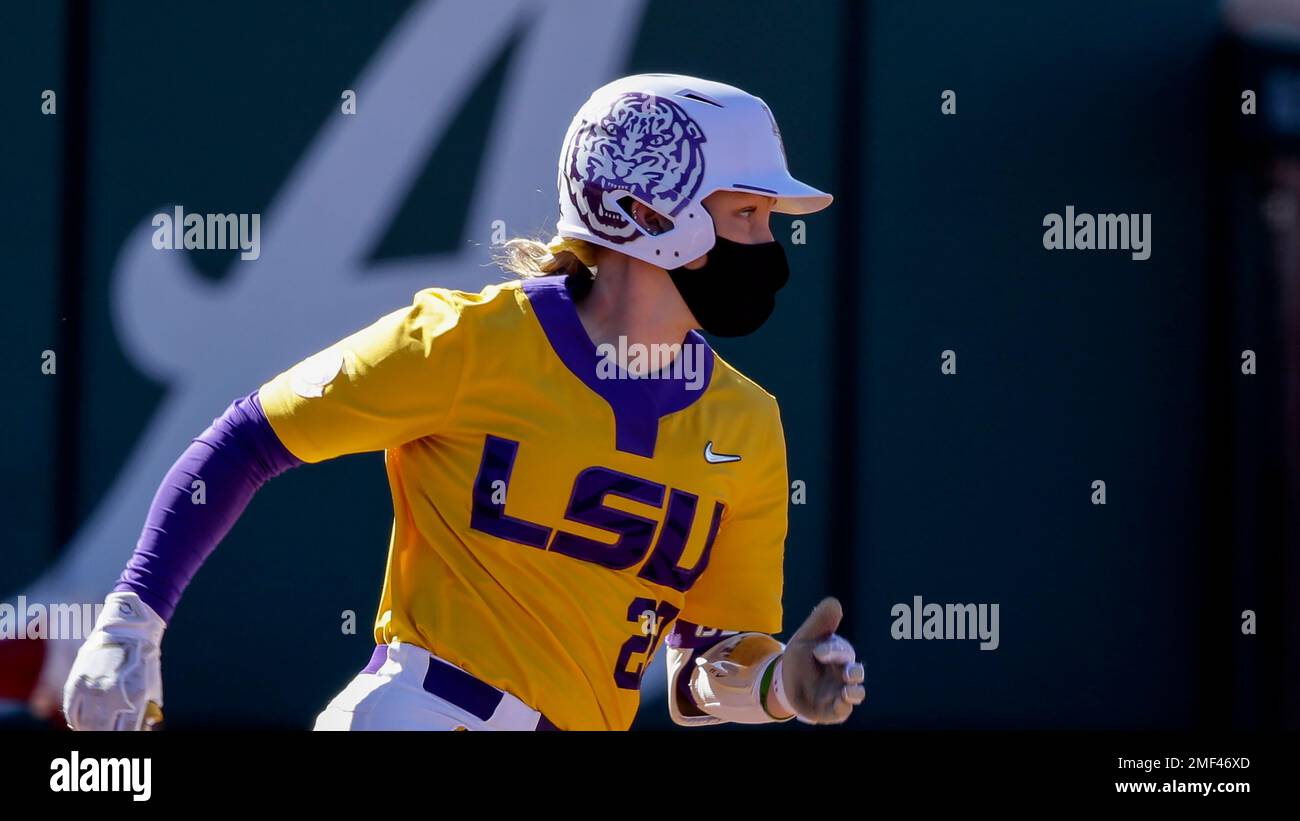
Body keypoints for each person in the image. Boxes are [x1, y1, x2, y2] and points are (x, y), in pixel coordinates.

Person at [62, 74, 865, 731]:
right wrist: (133, 618)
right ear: (649, 213)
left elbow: (699, 668)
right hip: (421, 711)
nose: (768, 243)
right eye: (748, 214)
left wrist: (777, 686)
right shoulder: (467, 342)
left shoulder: (748, 423)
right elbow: (247, 439)